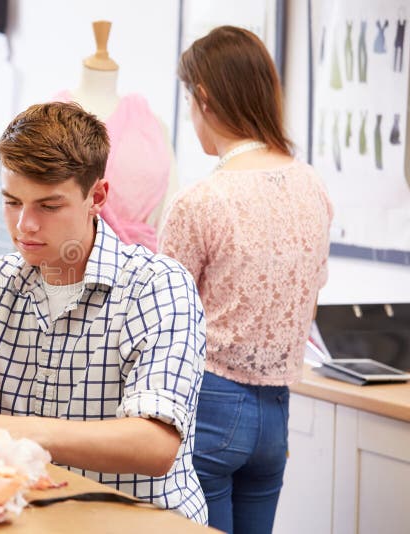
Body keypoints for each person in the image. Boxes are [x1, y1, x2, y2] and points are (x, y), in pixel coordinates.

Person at [0, 102, 208, 523]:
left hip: (138, 524)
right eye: (12, 202)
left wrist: (17, 430)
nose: (24, 225)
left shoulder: (158, 285)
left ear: (96, 197)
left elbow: (154, 444)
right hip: (34, 520)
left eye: (48, 206)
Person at [159, 26, 333, 534]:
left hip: (209, 405)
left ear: (205, 99)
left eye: (190, 102)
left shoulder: (202, 201)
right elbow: (312, 303)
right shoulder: (313, 186)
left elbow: (165, 322)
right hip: (277, 412)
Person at [54, 20, 176, 252]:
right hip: (64, 262)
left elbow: (170, 209)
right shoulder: (49, 119)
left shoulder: (152, 125)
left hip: (141, 268)